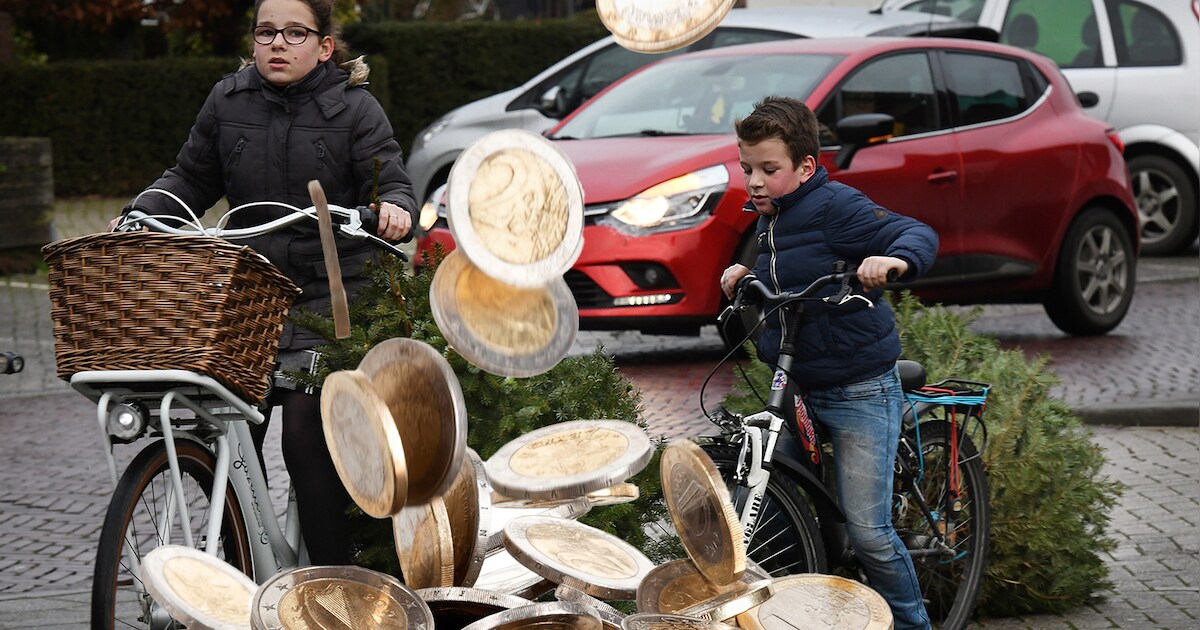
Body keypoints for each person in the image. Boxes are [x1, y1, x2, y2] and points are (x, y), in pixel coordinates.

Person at [111, 0, 418, 565]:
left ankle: (334, 586)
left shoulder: (356, 109)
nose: (278, 43)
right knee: (226, 431)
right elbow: (190, 177)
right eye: (266, 32)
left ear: (324, 46)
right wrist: (142, 211)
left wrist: (393, 209)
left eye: (295, 32)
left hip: (331, 300)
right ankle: (235, 571)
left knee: (304, 434)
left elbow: (392, 182)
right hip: (249, 297)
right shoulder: (229, 101)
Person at [720, 96, 938, 630]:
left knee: (868, 534)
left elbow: (916, 232)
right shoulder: (772, 217)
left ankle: (913, 623)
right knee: (771, 500)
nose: (754, 181)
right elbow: (790, 273)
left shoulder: (838, 205)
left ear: (806, 167)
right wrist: (742, 277)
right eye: (747, 168)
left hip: (858, 386)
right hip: (795, 382)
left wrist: (894, 259)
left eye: (769, 169)